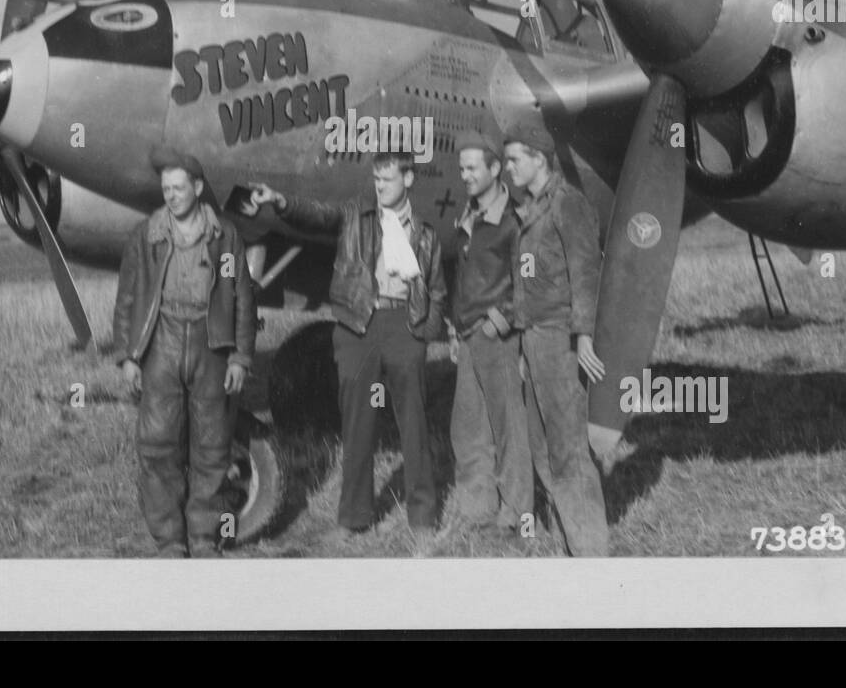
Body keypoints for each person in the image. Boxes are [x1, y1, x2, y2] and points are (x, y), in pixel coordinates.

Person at [248, 151, 446, 534]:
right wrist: (281, 202)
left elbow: (436, 291)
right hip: (360, 327)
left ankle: (423, 517)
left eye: (387, 179)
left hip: (404, 326)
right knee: (359, 421)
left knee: (414, 422)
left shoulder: (426, 235)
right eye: (376, 179)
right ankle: (355, 517)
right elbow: (319, 214)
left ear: (408, 180)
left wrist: (422, 334)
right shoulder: (356, 218)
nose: (379, 186)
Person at [112, 144, 255, 558]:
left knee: (211, 446)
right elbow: (128, 298)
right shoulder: (147, 236)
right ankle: (170, 540)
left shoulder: (224, 235)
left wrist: (241, 356)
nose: (171, 195)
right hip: (162, 342)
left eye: (178, 187)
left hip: (211, 345)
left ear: (196, 187)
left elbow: (243, 298)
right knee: (158, 445)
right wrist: (127, 356)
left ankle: (204, 537)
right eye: (165, 188)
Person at [503, 124, 609, 556]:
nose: (508, 168)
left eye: (514, 160)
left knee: (568, 452)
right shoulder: (529, 211)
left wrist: (584, 337)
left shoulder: (569, 205)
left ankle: (591, 554)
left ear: (540, 159)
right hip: (536, 341)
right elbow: (526, 281)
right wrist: (525, 344)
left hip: (562, 342)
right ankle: (572, 541)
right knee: (543, 449)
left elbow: (586, 273)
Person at [448, 132, 533, 531]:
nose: (464, 175)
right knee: (467, 426)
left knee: (508, 425)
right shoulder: (466, 218)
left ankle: (517, 510)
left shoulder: (515, 222)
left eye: (472, 168)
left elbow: (529, 282)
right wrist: (454, 329)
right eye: (461, 168)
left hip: (496, 336)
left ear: (495, 169)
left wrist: (499, 322)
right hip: (466, 335)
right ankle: (476, 508)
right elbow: (461, 279)